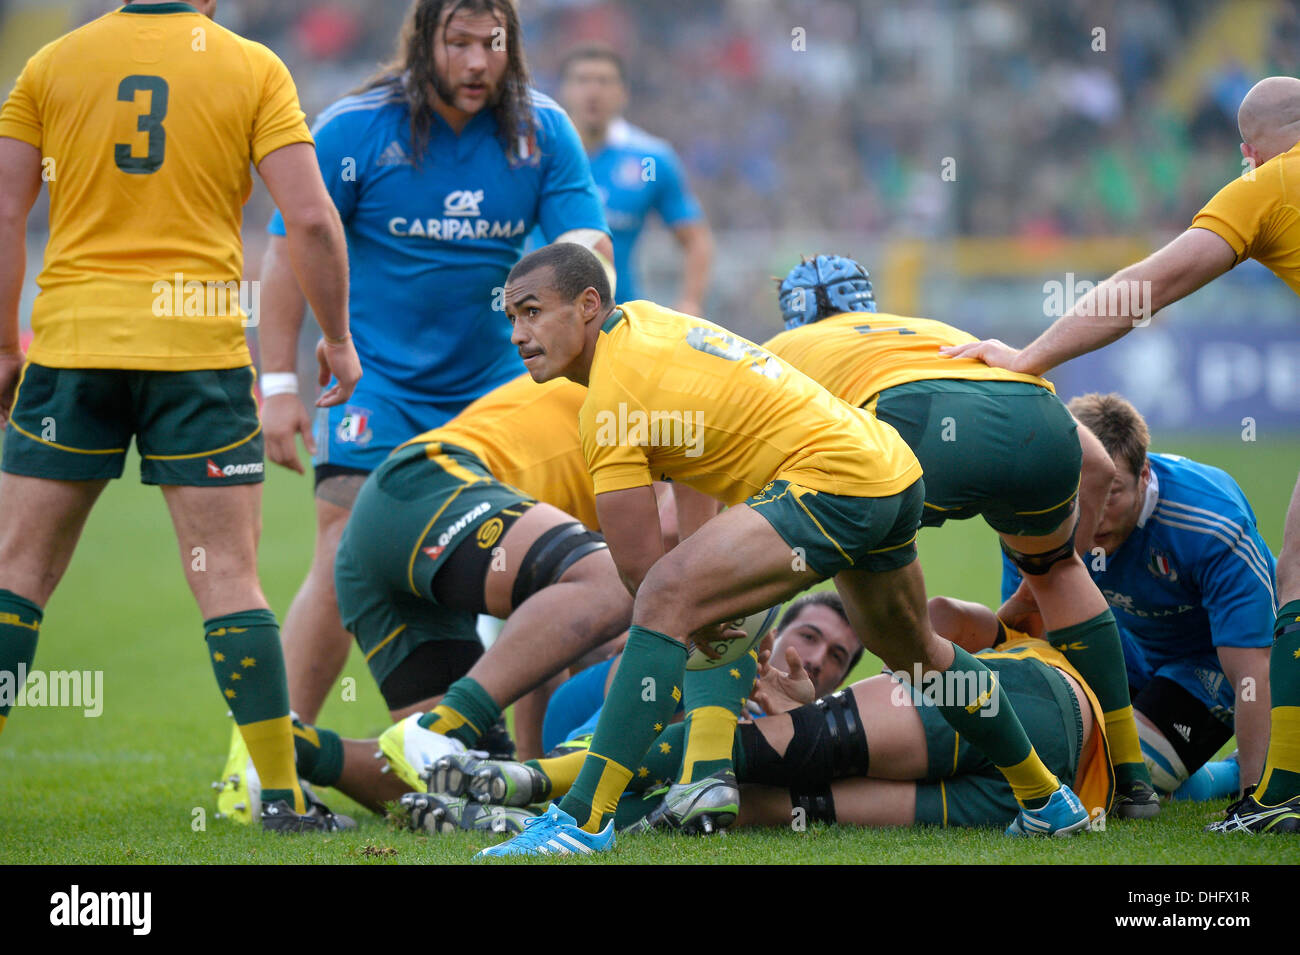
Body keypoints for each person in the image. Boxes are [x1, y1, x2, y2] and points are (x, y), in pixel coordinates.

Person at [479, 242, 1093, 858]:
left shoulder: (611, 396)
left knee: (666, 596)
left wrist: (701, 613)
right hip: (891, 468)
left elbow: (644, 572)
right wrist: (710, 598)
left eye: (532, 311)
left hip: (836, 479)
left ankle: (580, 822)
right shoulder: (645, 323)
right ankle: (1046, 800)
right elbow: (693, 469)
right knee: (917, 655)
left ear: (588, 305)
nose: (517, 333)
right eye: (511, 317)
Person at [0, 0, 361, 831]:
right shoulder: (250, 65)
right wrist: (336, 338)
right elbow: (307, 217)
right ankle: (278, 796)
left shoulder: (51, 63)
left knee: (18, 574)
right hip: (195, 354)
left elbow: (5, 210)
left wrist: (4, 346)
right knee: (228, 576)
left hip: (74, 345)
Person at [944, 75, 1300, 833]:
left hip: (1192, 680)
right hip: (1133, 669)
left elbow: (1145, 287)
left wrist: (1030, 358)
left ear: (1249, 151)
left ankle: (1274, 791)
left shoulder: (1267, 184)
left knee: (1294, 572)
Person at [257, 0, 613, 725]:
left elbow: (587, 237)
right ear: (423, 41)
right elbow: (290, 246)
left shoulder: (542, 132)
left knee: (565, 549)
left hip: (499, 390)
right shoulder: (356, 128)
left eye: (493, 43)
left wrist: (583, 252)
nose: (478, 62)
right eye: (458, 43)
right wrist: (279, 384)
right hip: (376, 384)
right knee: (342, 546)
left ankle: (542, 762)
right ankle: (268, 763)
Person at [761, 254, 1158, 817]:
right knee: (1056, 571)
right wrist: (1068, 553)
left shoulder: (782, 351)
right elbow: (1095, 463)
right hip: (1034, 416)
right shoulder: (926, 329)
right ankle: (1132, 779)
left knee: (895, 628)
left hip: (909, 421)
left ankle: (772, 741)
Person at [216, 373, 634, 820]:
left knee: (467, 776)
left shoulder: (619, 382)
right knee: (612, 584)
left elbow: (552, 639)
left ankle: (295, 748)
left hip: (387, 521)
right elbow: (661, 560)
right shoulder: (647, 399)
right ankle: (445, 724)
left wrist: (529, 787)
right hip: (430, 485)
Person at [406, 590, 864, 834]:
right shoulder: (742, 638)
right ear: (777, 631)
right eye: (809, 636)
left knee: (700, 794)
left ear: (842, 679)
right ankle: (545, 778)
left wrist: (799, 721)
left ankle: (519, 809)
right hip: (591, 717)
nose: (820, 657)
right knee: (706, 643)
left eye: (838, 656)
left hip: (643, 781)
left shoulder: (803, 722)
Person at [1001, 393, 1274, 799]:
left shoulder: (1210, 523)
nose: (1093, 512)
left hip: (1207, 666)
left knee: (1116, 778)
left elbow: (1253, 670)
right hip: (1121, 649)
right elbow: (1026, 638)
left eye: (1110, 492)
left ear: (1144, 474)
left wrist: (1257, 797)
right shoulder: (1038, 515)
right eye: (1077, 494)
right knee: (1048, 752)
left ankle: (1232, 775)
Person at [557, 45, 713, 314]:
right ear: (565, 91)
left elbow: (696, 240)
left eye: (604, 82)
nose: (593, 92)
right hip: (545, 320)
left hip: (620, 317)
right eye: (582, 80)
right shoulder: (539, 152)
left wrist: (690, 302)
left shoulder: (651, 159)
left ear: (623, 93)